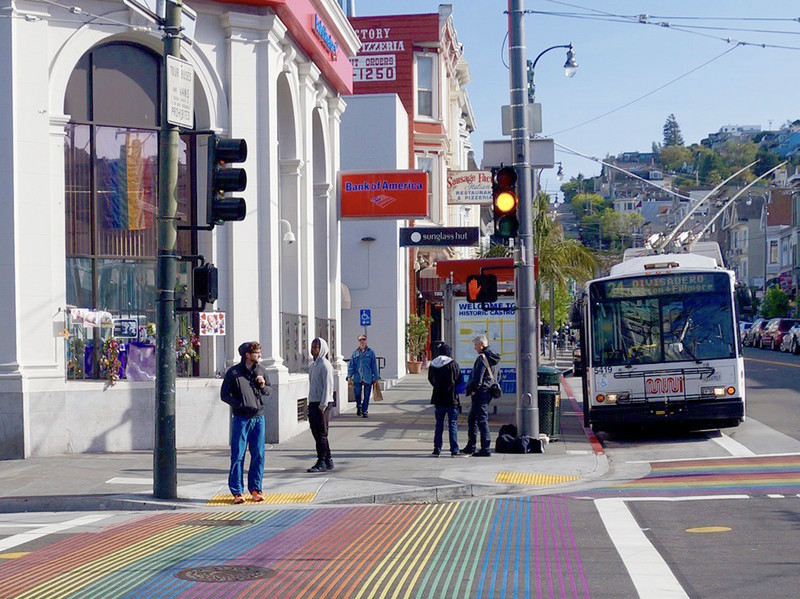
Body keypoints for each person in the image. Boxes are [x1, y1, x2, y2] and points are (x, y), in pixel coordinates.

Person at [220, 341, 271, 504]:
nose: (260, 355)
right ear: (247, 355)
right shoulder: (233, 373)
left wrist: (262, 386)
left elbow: (269, 390)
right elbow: (224, 394)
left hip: (258, 418)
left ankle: (256, 489)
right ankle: (237, 491)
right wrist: (239, 404)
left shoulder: (261, 370)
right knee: (238, 454)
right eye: (257, 353)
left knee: (259, 454)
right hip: (241, 419)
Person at [463, 334, 500, 457]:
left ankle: (485, 448)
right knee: (472, 418)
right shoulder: (494, 357)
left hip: (480, 392)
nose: (475, 348)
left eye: (476, 345)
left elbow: (478, 378)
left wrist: (473, 390)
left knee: (482, 420)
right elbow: (497, 375)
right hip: (488, 391)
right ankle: (471, 446)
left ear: (482, 345)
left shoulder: (482, 358)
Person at [427, 343, 462, 456]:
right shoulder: (453, 364)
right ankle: (454, 449)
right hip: (451, 398)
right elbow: (459, 380)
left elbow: (430, 379)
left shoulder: (433, 364)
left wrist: (437, 386)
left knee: (439, 424)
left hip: (438, 398)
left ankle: (437, 448)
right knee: (452, 424)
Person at [307, 337, 335, 473]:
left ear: (322, 348)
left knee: (321, 433)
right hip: (313, 402)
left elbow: (328, 387)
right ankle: (328, 459)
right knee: (317, 433)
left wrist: (323, 406)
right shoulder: (312, 365)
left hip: (322, 403)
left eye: (316, 347)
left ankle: (321, 461)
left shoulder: (325, 365)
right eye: (312, 346)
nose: (313, 349)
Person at [347, 334, 380, 418]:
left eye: (363, 339)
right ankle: (359, 406)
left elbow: (374, 366)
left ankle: (365, 410)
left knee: (367, 395)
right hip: (357, 377)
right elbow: (351, 365)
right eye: (360, 340)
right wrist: (349, 376)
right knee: (357, 394)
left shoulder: (370, 352)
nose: (362, 341)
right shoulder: (355, 353)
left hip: (367, 377)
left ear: (366, 340)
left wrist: (376, 377)